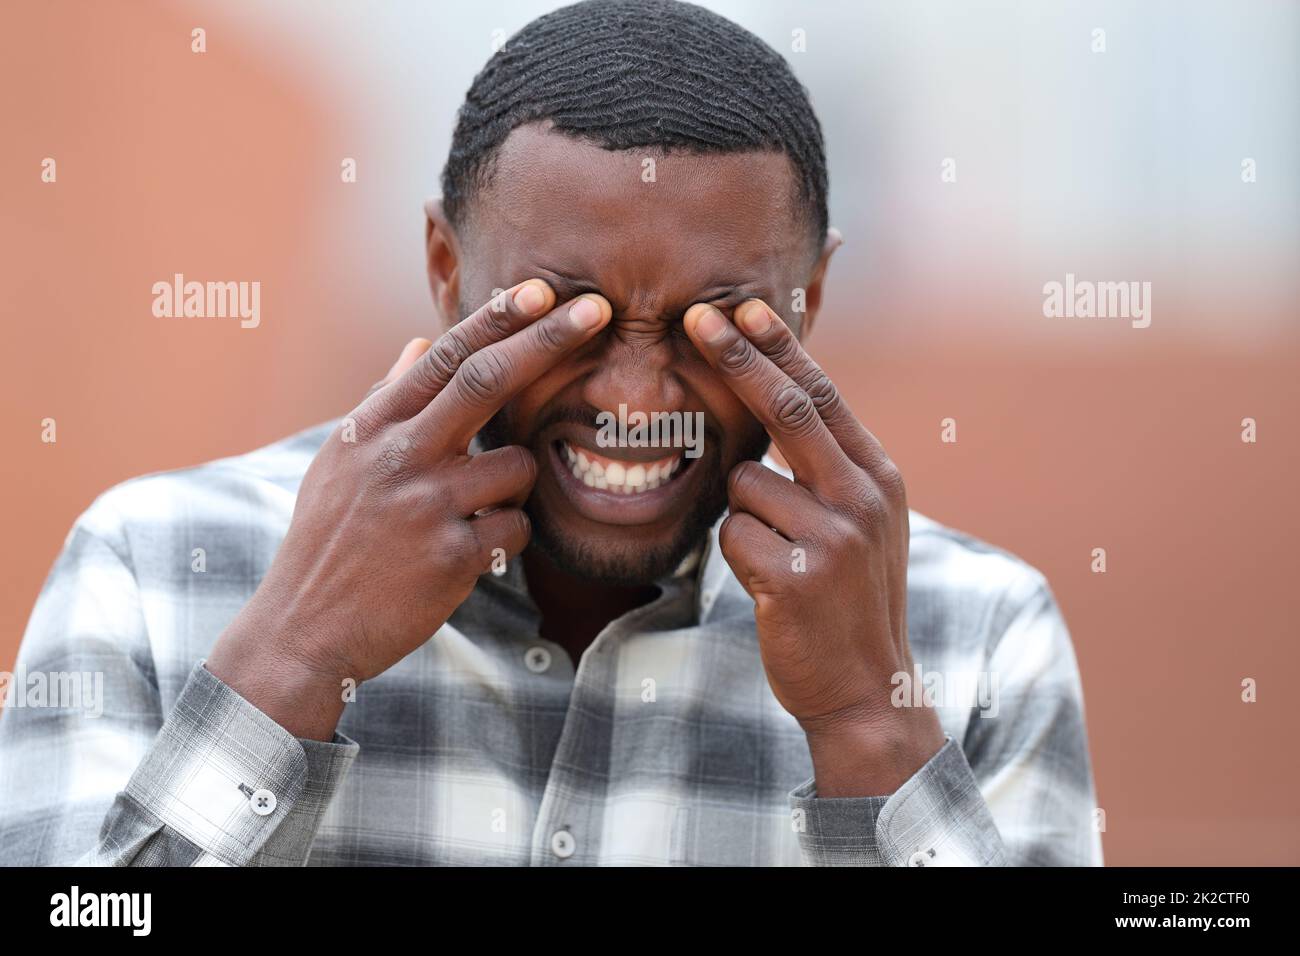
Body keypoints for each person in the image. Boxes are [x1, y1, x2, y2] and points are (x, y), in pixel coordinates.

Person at [0, 0, 1101, 866]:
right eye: (563, 313)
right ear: (443, 269)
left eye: (712, 325)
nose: (632, 392)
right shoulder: (153, 563)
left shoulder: (980, 635)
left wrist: (868, 724)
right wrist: (296, 654)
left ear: (808, 296)